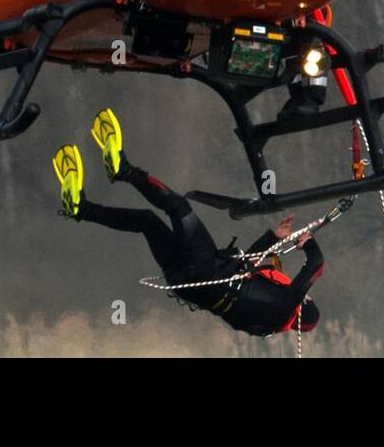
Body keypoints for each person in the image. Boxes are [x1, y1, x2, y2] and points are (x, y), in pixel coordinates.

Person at [53, 108, 323, 337]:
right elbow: (244, 267)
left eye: (306, 297)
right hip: (184, 282)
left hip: (206, 271)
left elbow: (316, 264)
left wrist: (308, 243)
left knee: (179, 208)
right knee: (146, 222)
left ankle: (124, 170)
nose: (304, 294)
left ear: (305, 305)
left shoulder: (289, 304)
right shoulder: (266, 324)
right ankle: (81, 209)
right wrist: (274, 237)